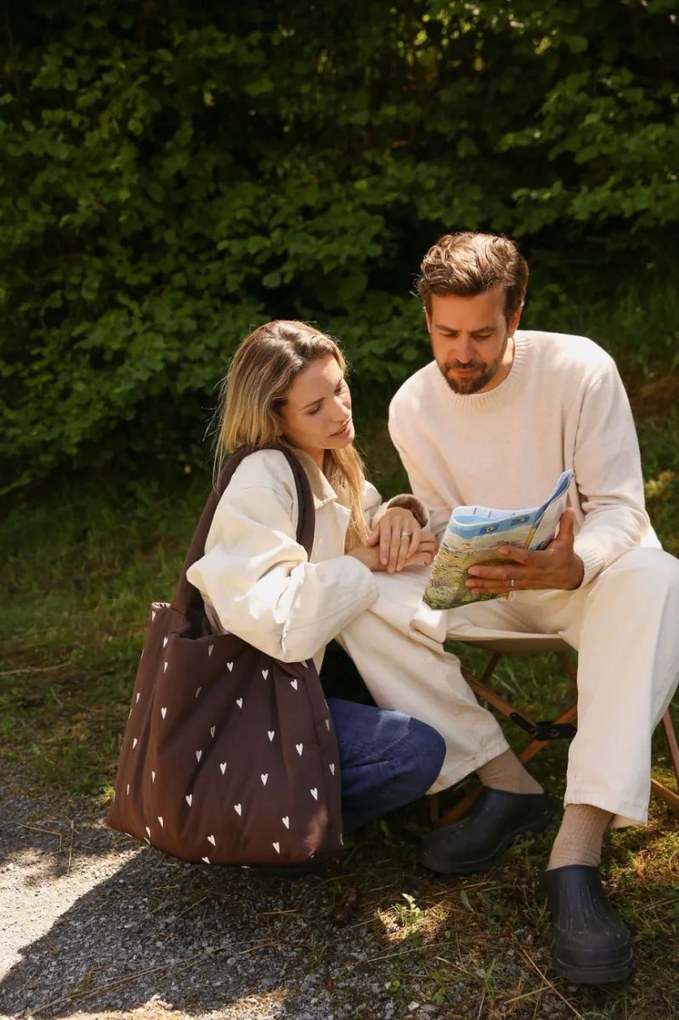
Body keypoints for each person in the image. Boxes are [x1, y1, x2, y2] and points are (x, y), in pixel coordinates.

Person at [387, 231, 679, 985]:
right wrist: (417, 520)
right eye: (445, 334)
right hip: (488, 593)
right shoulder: (412, 405)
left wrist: (571, 561)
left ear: (515, 314)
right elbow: (448, 515)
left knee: (659, 575)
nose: (462, 353)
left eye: (481, 334)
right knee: (361, 601)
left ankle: (574, 854)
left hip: (582, 587)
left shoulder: (578, 368)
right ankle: (504, 780)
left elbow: (619, 508)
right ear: (426, 320)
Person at [185, 319, 450, 839]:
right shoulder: (261, 480)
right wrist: (365, 563)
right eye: (315, 408)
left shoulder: (329, 464)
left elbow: (365, 529)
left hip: (315, 677)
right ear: (276, 419)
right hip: (255, 702)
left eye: (339, 388)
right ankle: (259, 821)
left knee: (432, 696)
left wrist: (402, 512)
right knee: (418, 752)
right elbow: (283, 627)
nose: (339, 411)